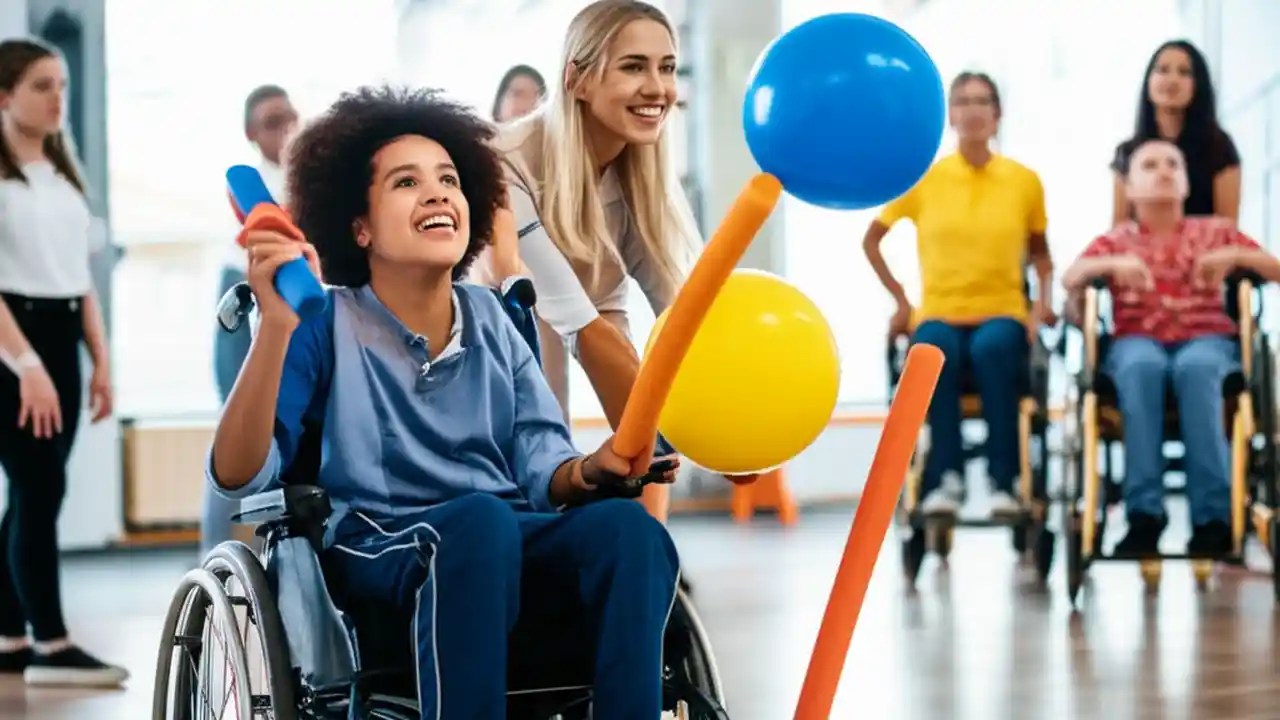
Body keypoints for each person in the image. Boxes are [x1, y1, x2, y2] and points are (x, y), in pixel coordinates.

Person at [206, 84, 681, 719]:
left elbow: (542, 464)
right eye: (406, 183)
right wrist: (275, 327)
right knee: (479, 522)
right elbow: (237, 473)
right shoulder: (326, 321)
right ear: (360, 226)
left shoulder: (492, 319)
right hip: (379, 540)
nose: (437, 193)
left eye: (449, 179)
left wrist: (591, 470)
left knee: (629, 531)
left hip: (499, 536)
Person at [473, 0, 702, 522]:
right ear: (576, 79)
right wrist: (676, 439)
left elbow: (681, 316)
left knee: (648, 471)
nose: (657, 87)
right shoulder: (505, 160)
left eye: (666, 67)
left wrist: (733, 433)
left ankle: (647, 569)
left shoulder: (640, 171)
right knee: (549, 467)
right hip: (506, 324)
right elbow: (571, 317)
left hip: (593, 308)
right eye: (633, 66)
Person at [1063, 138, 1280, 556]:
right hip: (1136, 342)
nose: (1163, 171)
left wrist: (1236, 254)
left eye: (1172, 165)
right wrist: (1113, 265)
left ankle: (1213, 519)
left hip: (1206, 340)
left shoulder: (1215, 231)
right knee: (1140, 367)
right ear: (1128, 188)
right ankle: (1144, 516)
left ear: (1185, 182)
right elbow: (1073, 276)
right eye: (1149, 166)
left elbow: (1274, 269)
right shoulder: (1117, 240)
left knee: (1196, 370)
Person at [863, 71, 1056, 519]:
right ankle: (944, 479)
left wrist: (1040, 307)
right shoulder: (925, 179)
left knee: (993, 349)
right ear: (950, 115)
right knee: (932, 352)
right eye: (963, 101)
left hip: (1003, 313)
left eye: (982, 101)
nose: (973, 110)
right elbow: (872, 241)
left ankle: (1002, 479)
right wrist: (901, 303)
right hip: (940, 313)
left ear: (998, 114)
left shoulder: (1024, 181)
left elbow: (1042, 259)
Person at [0, 38, 127, 687]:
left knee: (33, 493)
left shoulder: (63, 178)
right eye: (43, 85)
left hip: (61, 338)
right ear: (4, 96)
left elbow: (80, 282)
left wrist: (99, 361)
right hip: (12, 347)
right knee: (39, 488)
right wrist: (25, 366)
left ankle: (9, 634)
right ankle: (52, 644)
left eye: (63, 85)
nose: (58, 98)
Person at [205, 84, 298, 558]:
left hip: (293, 301)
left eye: (289, 116)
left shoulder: (306, 177)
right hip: (243, 298)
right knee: (238, 425)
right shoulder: (247, 184)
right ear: (249, 133)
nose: (283, 128)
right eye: (270, 122)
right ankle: (213, 549)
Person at [1111, 40, 1240, 227]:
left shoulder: (1219, 147)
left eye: (1184, 72)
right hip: (1140, 255)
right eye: (1162, 70)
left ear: (1198, 84)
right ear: (1149, 80)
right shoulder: (1128, 152)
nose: (1172, 80)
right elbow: (1118, 230)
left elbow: (1228, 228)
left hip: (1207, 254)